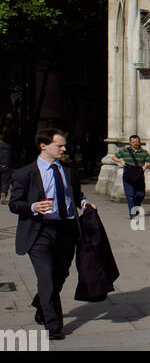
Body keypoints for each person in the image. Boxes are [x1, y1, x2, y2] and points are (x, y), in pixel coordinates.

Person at [8, 129, 93, 340]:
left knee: (59, 276)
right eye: (60, 145)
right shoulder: (24, 173)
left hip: (67, 230)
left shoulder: (69, 170)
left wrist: (83, 203)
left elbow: (75, 194)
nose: (64, 149)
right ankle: (53, 325)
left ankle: (41, 302)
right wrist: (34, 206)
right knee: (45, 278)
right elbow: (14, 204)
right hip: (39, 231)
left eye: (64, 145)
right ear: (43, 146)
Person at [111, 135, 150, 218]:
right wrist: (121, 161)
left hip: (139, 176)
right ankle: (132, 213)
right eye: (133, 142)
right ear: (130, 142)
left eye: (137, 142)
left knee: (140, 194)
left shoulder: (144, 152)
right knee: (130, 195)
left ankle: (136, 206)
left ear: (139, 142)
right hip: (128, 175)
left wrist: (145, 166)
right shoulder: (124, 150)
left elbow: (149, 162)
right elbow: (114, 157)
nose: (135, 144)